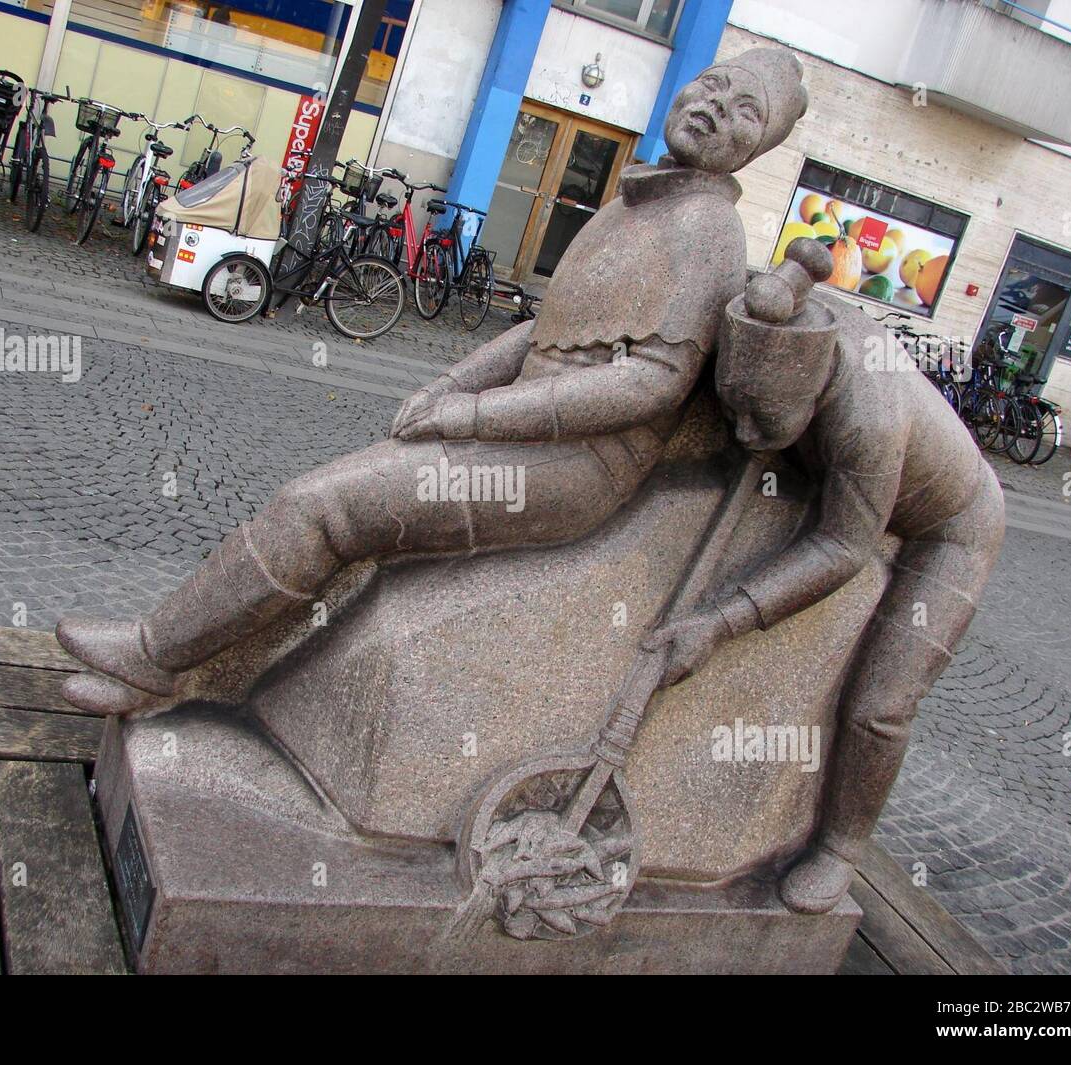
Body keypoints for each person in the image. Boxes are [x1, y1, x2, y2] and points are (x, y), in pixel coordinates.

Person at [55, 48, 811, 717]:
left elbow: (648, 385)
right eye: (712, 84)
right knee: (337, 500)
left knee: (321, 507)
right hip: (526, 430)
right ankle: (194, 671)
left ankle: (158, 656)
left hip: (575, 463)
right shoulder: (631, 203)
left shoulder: (707, 231)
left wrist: (475, 414)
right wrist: (452, 381)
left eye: (746, 111)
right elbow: (541, 329)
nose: (714, 106)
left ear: (756, 148)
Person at [643, 261, 1006, 915]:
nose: (744, 432)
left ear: (813, 387)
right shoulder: (767, 328)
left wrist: (719, 622)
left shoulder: (867, 419)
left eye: (764, 416)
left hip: (949, 531)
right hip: (849, 487)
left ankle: (841, 846)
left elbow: (843, 545)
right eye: (737, 410)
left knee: (879, 705)